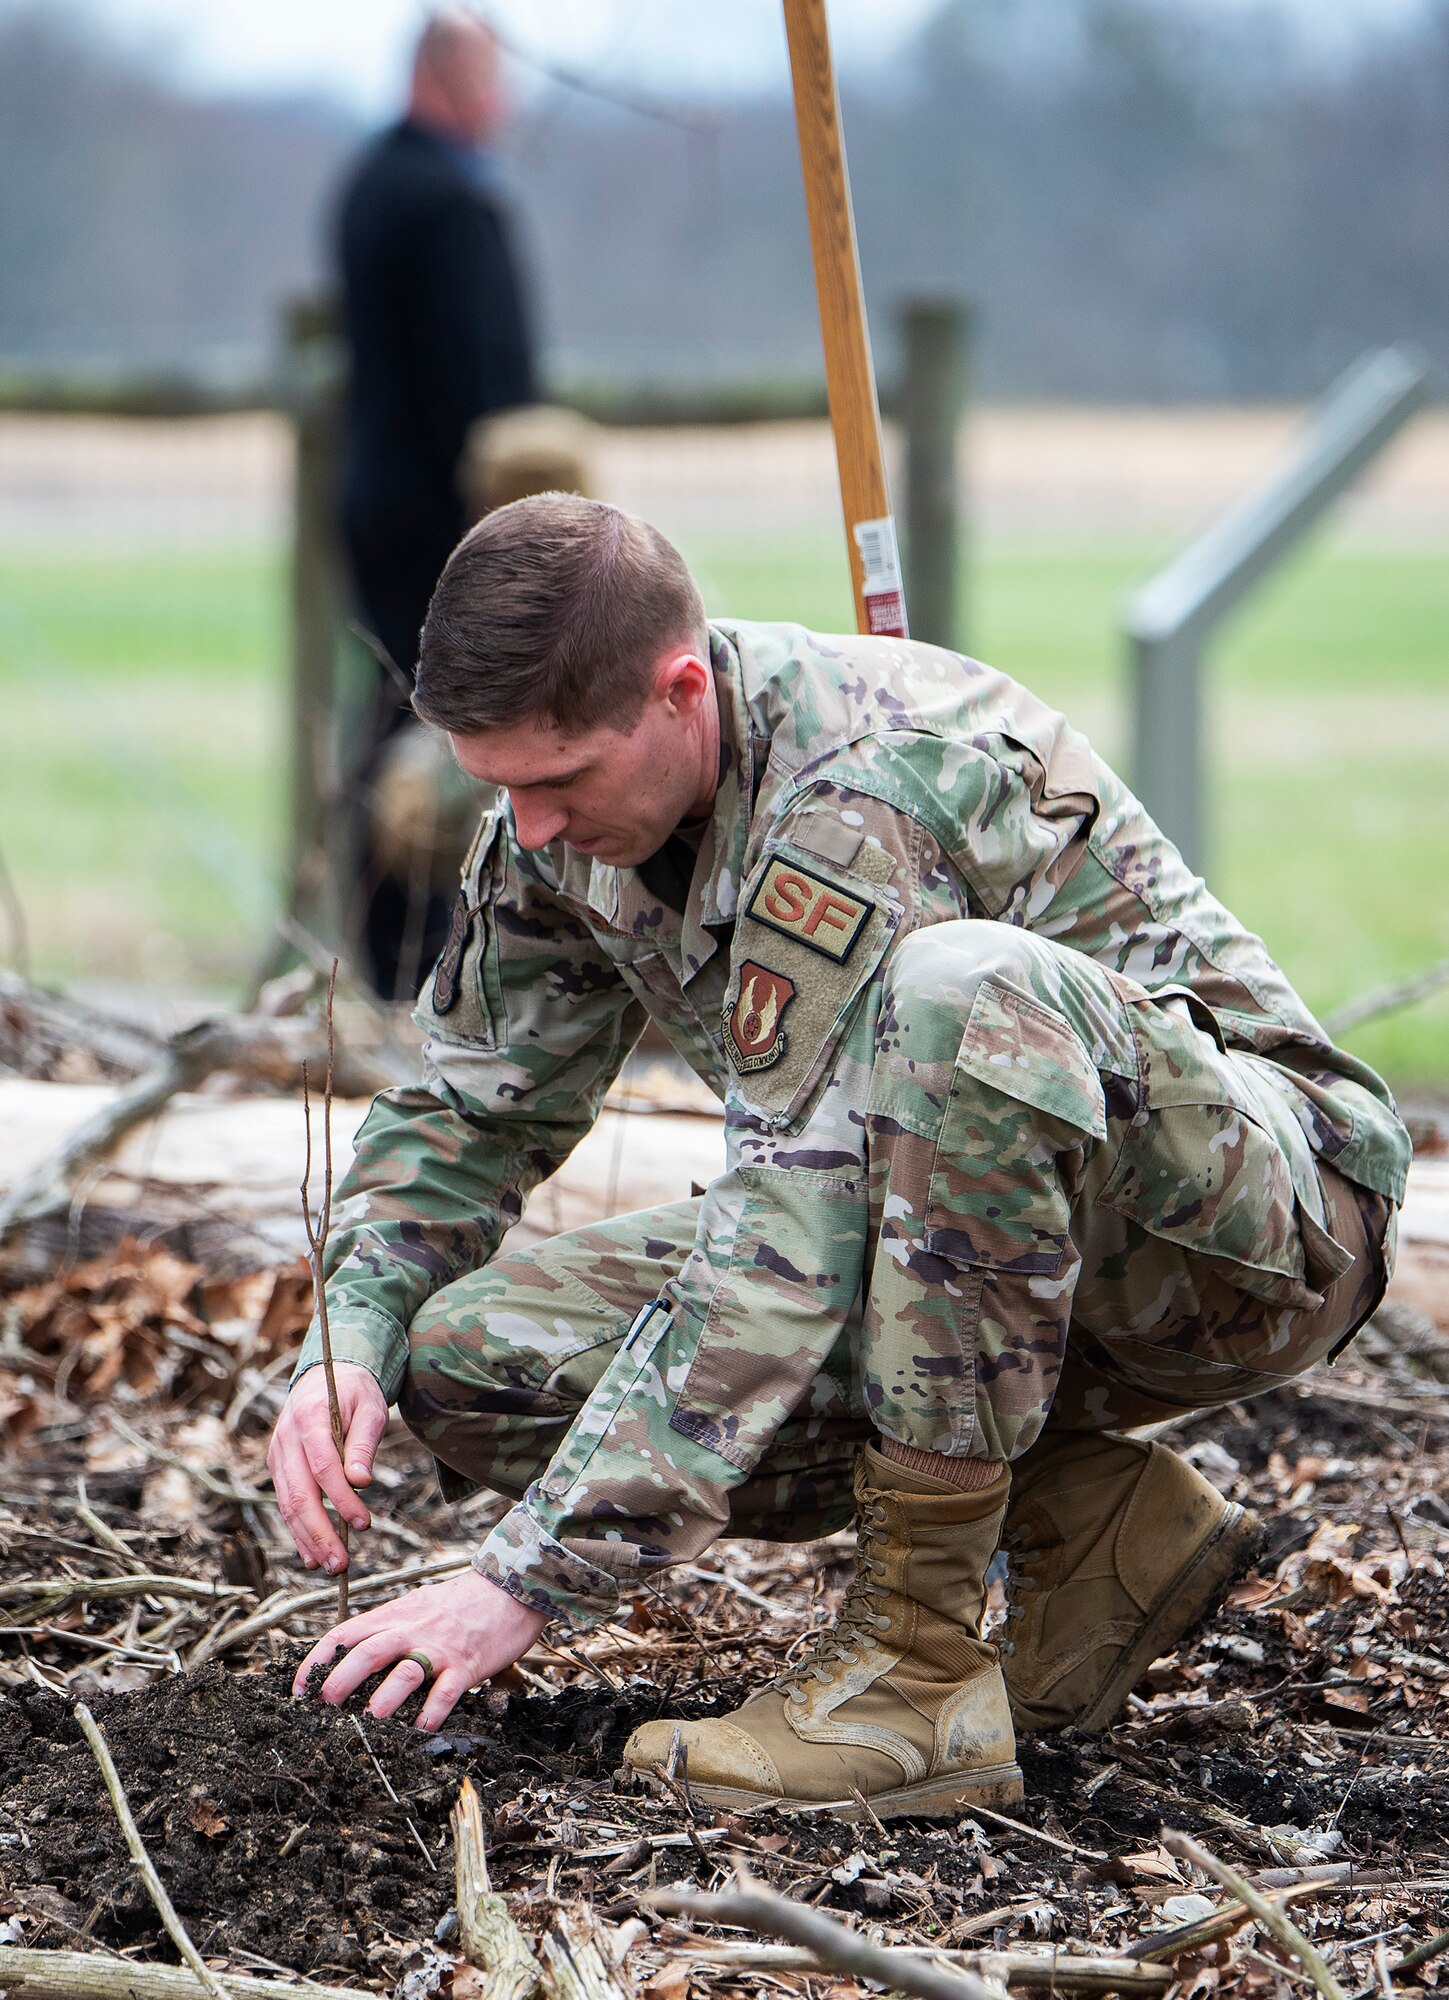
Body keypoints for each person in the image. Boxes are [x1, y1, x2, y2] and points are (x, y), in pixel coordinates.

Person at [269, 494, 1408, 1819]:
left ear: (678, 690)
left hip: (1249, 1234)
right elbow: (470, 1112)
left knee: (957, 994)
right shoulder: (562, 830)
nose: (528, 827)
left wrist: (522, 1583)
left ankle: (914, 1679)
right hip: (975, 1251)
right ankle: (1095, 1524)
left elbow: (787, 1250)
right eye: (498, 786)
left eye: (559, 780)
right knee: (477, 1362)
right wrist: (347, 1331)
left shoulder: (856, 795)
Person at [336, 8, 535, 1000]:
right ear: (446, 80)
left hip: (374, 496)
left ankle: (386, 948)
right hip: (441, 514)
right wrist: (517, 504)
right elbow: (483, 380)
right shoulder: (450, 204)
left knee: (383, 714)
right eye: (489, 81)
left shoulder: (368, 182)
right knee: (438, 726)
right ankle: (419, 954)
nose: (501, 106)